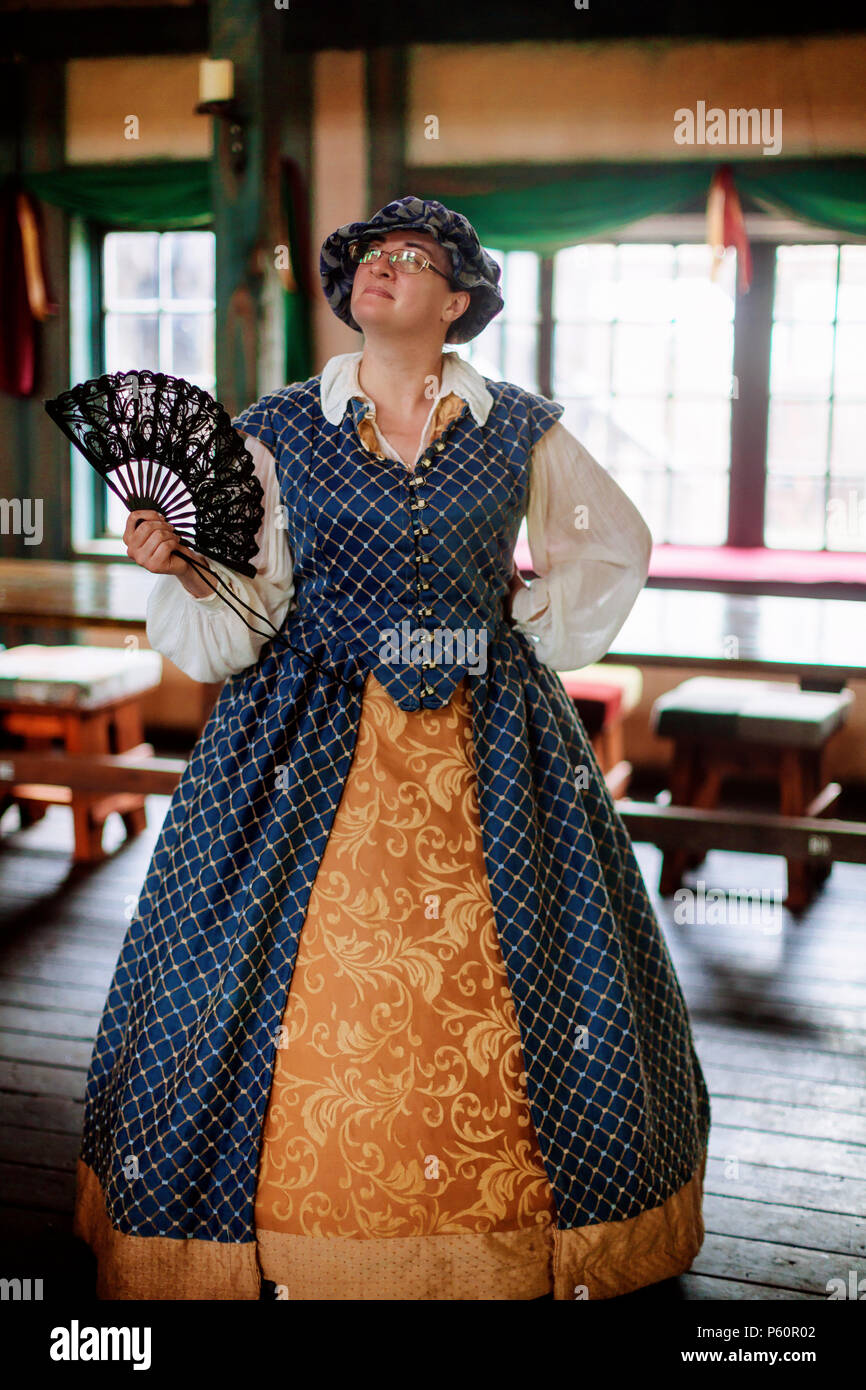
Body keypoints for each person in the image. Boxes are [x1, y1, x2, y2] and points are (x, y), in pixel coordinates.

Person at [72, 195, 710, 1301]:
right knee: (254, 978)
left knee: (535, 968)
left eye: (412, 259)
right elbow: (252, 604)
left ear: (456, 302)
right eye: (369, 255)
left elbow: (612, 544)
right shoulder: (274, 430)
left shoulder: (517, 425)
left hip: (492, 737)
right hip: (302, 735)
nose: (382, 268)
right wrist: (180, 565)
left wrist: (519, 629)